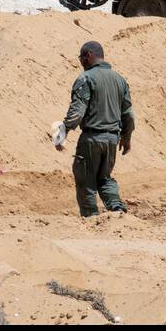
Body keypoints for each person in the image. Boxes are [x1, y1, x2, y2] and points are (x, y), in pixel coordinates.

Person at [56, 41, 134, 216]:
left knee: (86, 180)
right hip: (112, 140)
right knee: (105, 179)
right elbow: (128, 114)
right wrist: (126, 138)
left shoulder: (86, 78)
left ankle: (91, 218)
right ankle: (117, 211)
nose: (81, 62)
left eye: (81, 57)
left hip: (92, 139)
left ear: (89, 55)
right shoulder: (120, 80)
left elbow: (77, 111)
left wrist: (64, 130)